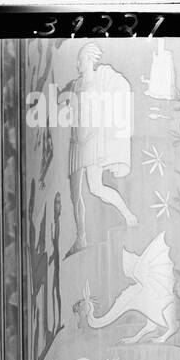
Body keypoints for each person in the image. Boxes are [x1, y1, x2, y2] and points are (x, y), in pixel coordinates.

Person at [59, 42, 136, 254]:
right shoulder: (76, 85)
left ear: (88, 60)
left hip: (93, 140)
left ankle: (128, 215)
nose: (79, 63)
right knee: (75, 194)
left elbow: (120, 90)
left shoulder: (102, 78)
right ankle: (81, 237)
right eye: (79, 60)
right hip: (77, 142)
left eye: (82, 59)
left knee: (95, 187)